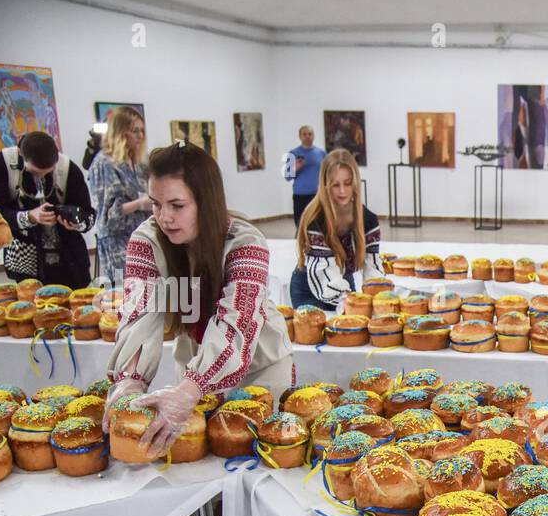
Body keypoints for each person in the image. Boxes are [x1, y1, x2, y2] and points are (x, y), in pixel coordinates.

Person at [105, 142, 295, 459]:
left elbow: (238, 324)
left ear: (206, 202)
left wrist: (191, 389)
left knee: (258, 462)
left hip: (262, 370)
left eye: (177, 205)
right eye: (155, 204)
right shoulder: (147, 241)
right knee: (195, 463)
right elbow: (140, 316)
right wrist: (129, 382)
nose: (164, 217)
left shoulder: (245, 241)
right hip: (193, 368)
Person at [0, 130, 96, 288]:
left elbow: (89, 215)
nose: (41, 177)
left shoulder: (68, 168)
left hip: (71, 260)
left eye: (48, 172)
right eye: (35, 172)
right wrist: (28, 217)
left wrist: (78, 223)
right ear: (21, 154)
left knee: (79, 307)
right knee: (32, 308)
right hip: (25, 259)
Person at [290, 149, 381, 311]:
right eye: (335, 185)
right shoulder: (315, 220)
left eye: (347, 183)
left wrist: (379, 298)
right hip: (309, 289)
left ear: (355, 182)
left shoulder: (369, 220)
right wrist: (350, 301)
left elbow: (372, 267)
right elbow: (323, 272)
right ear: (325, 185)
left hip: (344, 282)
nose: (342, 191)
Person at [88, 105, 152, 287]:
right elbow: (106, 216)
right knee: (126, 296)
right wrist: (139, 204)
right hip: (117, 244)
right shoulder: (105, 163)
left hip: (142, 238)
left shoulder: (140, 162)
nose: (140, 136)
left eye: (142, 131)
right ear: (120, 133)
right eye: (134, 131)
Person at [282, 126, 325, 227]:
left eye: (310, 134)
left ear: (313, 136)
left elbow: (327, 173)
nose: (307, 136)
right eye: (304, 134)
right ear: (300, 136)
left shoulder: (321, 153)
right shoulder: (293, 153)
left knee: (318, 223)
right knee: (300, 224)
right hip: (300, 196)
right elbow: (287, 176)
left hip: (317, 195)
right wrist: (296, 167)